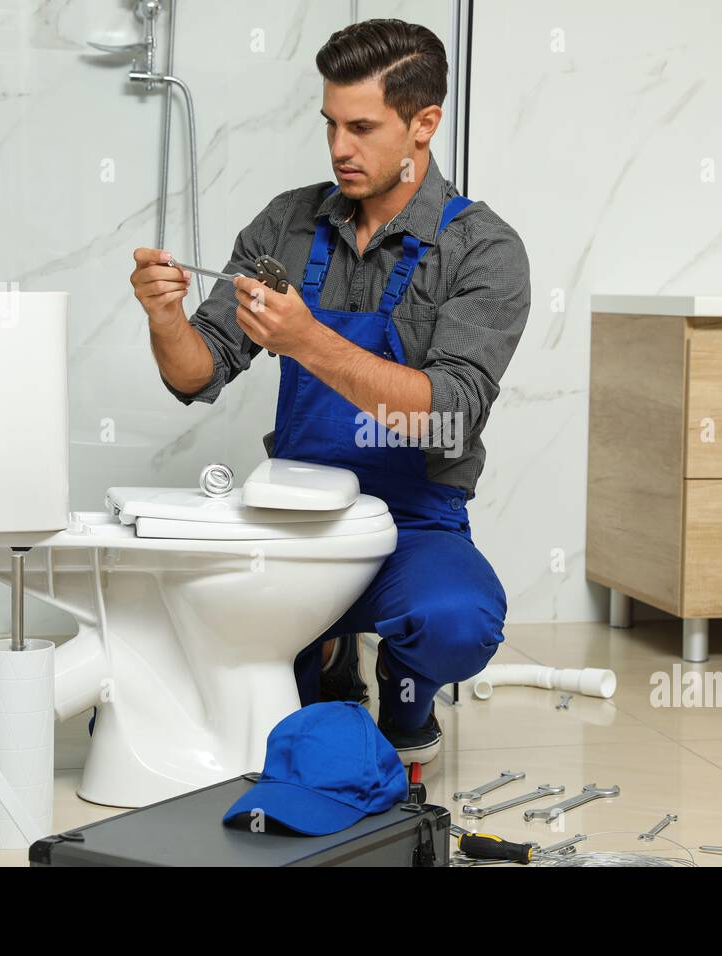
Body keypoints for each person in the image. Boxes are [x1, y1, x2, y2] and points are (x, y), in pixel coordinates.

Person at [130, 19, 530, 764]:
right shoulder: (286, 224)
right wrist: (164, 318)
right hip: (295, 520)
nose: (339, 147)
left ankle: (404, 681)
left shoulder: (485, 250)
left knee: (456, 622)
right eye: (330, 125)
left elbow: (448, 413)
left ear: (424, 124)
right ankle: (325, 653)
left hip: (414, 521)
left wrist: (308, 338)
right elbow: (200, 372)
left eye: (362, 127)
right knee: (239, 695)